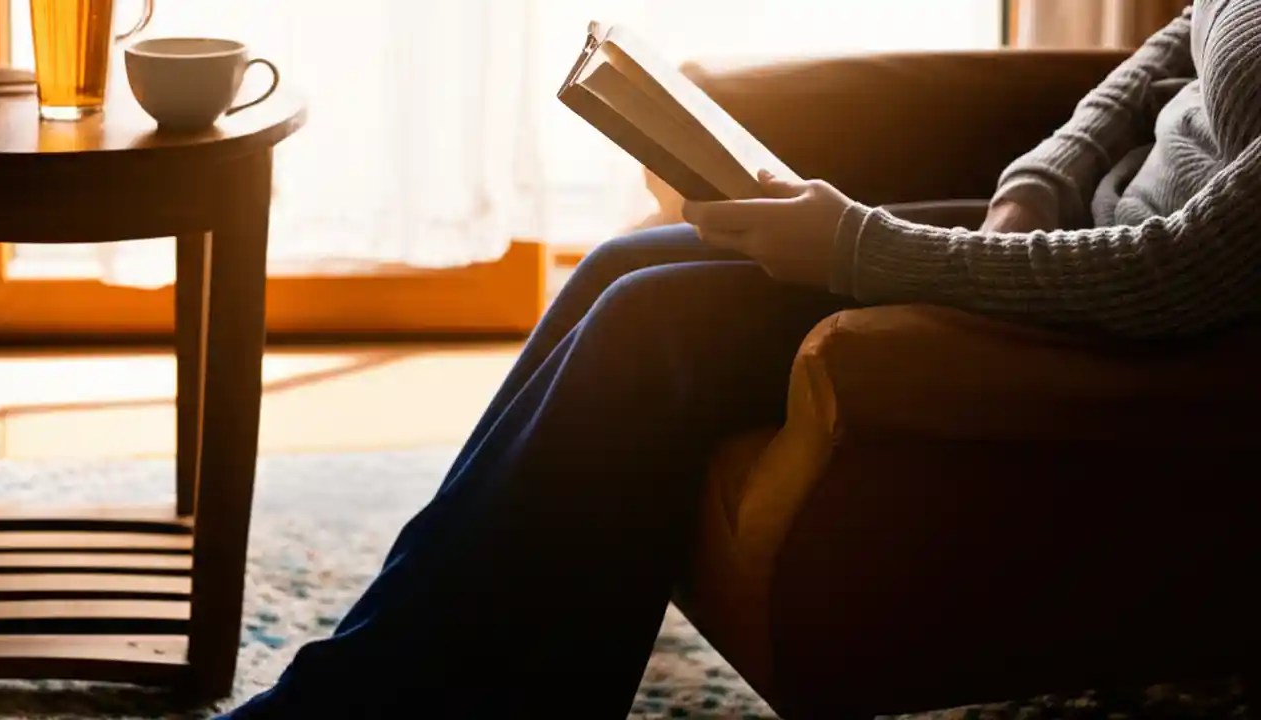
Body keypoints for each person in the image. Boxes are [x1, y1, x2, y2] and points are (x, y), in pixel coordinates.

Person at [224, 1, 1260, 716]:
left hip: (1139, 331)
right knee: (625, 265)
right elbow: (1170, 44)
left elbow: (1180, 276)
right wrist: (1036, 185)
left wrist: (857, 248)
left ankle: (354, 703)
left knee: (653, 328)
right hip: (1071, 238)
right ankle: (385, 681)